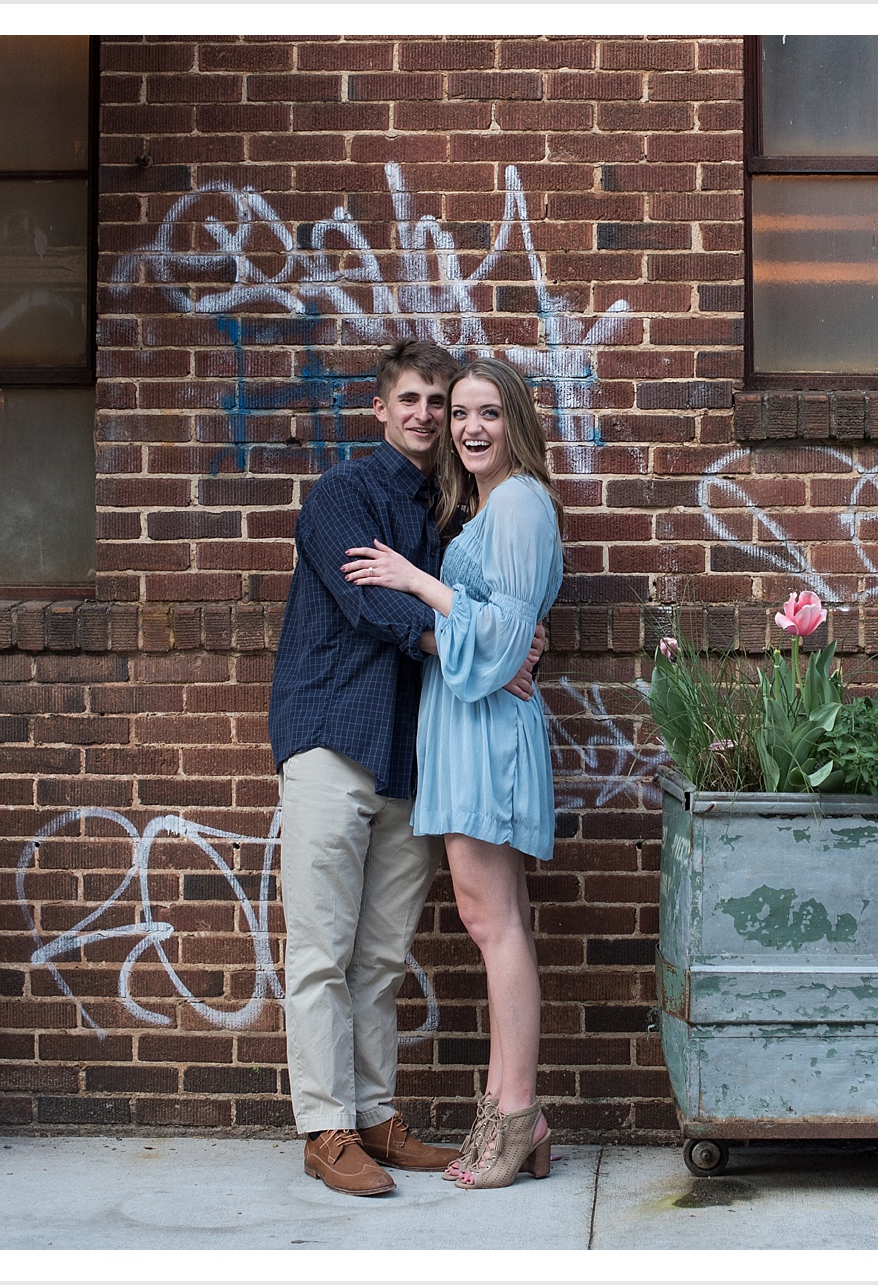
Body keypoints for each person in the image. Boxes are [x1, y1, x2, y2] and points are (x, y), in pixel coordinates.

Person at [268, 339, 543, 1198]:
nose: (429, 416)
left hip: (411, 757)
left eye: (440, 402)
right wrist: (477, 643)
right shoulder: (342, 494)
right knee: (320, 948)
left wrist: (504, 638)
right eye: (414, 400)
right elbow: (371, 603)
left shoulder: (452, 507)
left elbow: (496, 601)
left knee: (382, 954)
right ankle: (326, 1126)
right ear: (380, 408)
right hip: (331, 739)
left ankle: (375, 1114)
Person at [341, 356, 566, 1191]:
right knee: (493, 919)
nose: (470, 427)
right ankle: (508, 1110)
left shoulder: (518, 502)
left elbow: (501, 636)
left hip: (486, 732)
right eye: (460, 412)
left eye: (488, 412)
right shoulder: (486, 506)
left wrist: (413, 580)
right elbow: (507, 626)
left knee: (491, 921)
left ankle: (517, 1110)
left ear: (516, 424)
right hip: (468, 726)